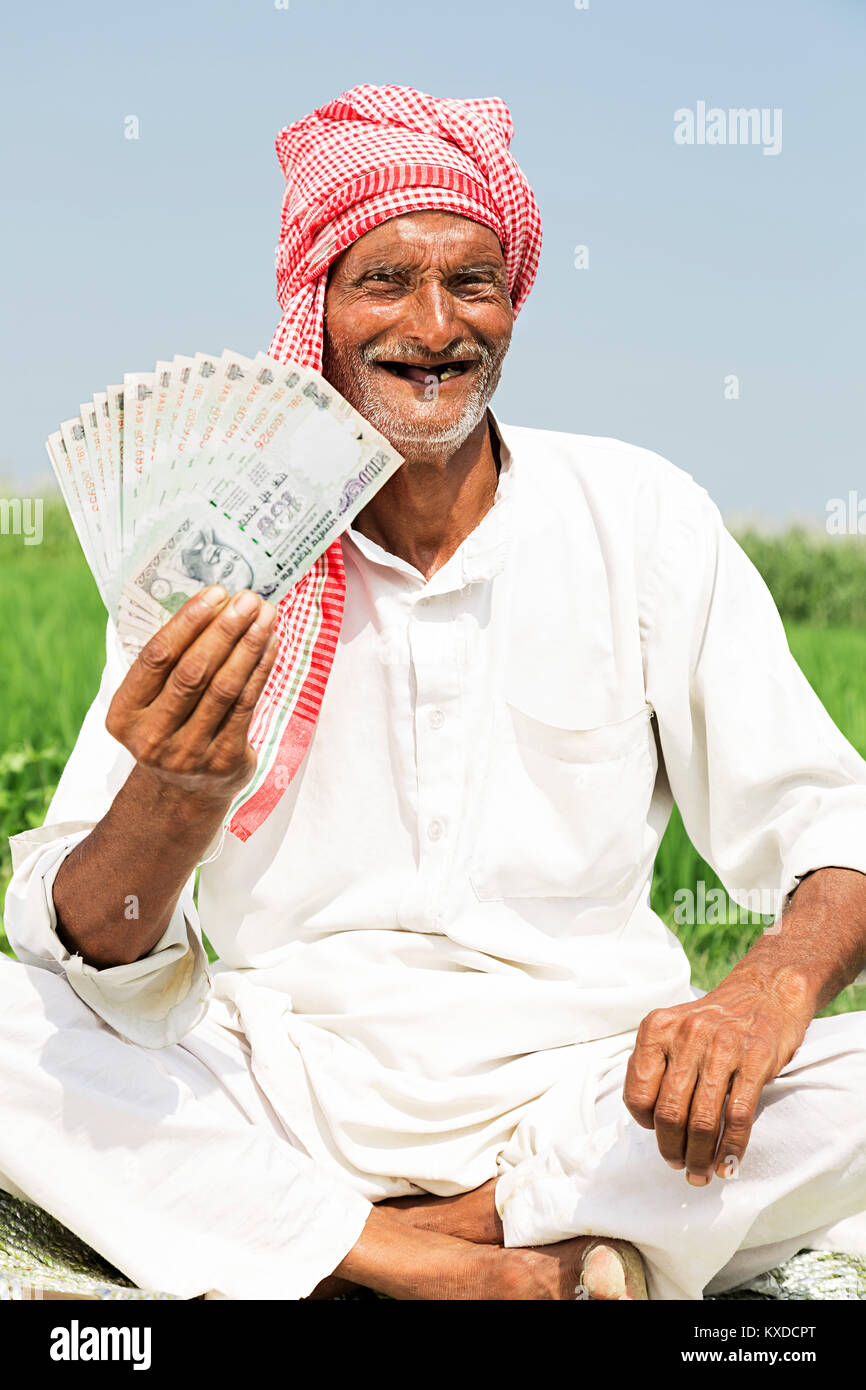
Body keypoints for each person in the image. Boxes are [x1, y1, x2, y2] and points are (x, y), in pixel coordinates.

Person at [2, 84, 866, 1302]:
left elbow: (832, 828)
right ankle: (470, 1263)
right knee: (7, 1035)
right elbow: (85, 943)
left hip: (586, 1092)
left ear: (513, 303)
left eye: (471, 281)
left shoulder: (637, 517)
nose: (433, 323)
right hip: (281, 1082)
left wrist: (760, 992)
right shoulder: (223, 554)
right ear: (316, 307)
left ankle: (397, 1240)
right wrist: (171, 801)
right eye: (384, 281)